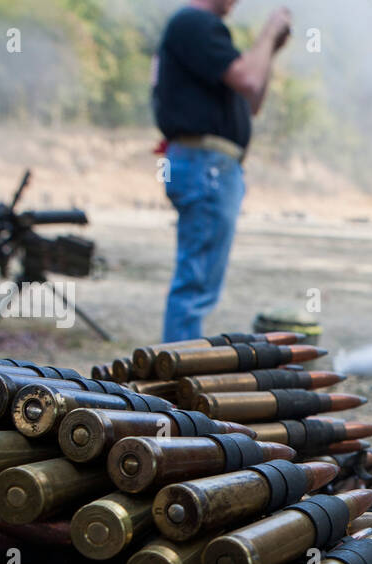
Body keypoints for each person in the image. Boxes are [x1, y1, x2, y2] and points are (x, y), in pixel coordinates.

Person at [153, 2, 292, 343]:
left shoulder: (201, 30)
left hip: (209, 165)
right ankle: (174, 384)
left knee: (198, 284)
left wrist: (269, 50)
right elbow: (247, 77)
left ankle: (175, 374)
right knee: (195, 287)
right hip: (206, 164)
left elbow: (253, 98)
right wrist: (269, 32)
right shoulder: (195, 23)